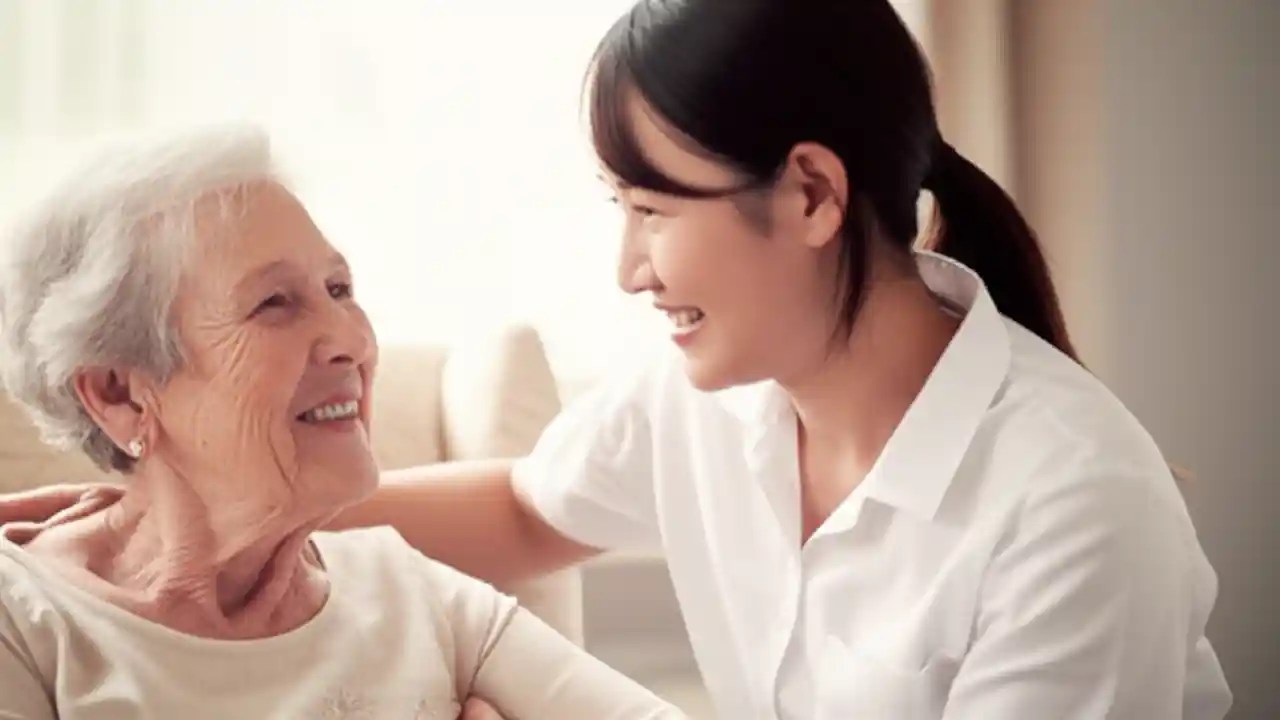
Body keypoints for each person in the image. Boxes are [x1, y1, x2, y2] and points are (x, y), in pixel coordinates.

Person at [1, 1, 1233, 718]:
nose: (627, 271)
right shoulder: (716, 392)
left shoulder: (1073, 510)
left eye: (652, 210)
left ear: (809, 193)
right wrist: (208, 505)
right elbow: (526, 510)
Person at [0, 128, 683, 720]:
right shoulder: (26, 625)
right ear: (119, 393)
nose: (349, 339)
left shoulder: (413, 594)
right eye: (273, 303)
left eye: (340, 289)